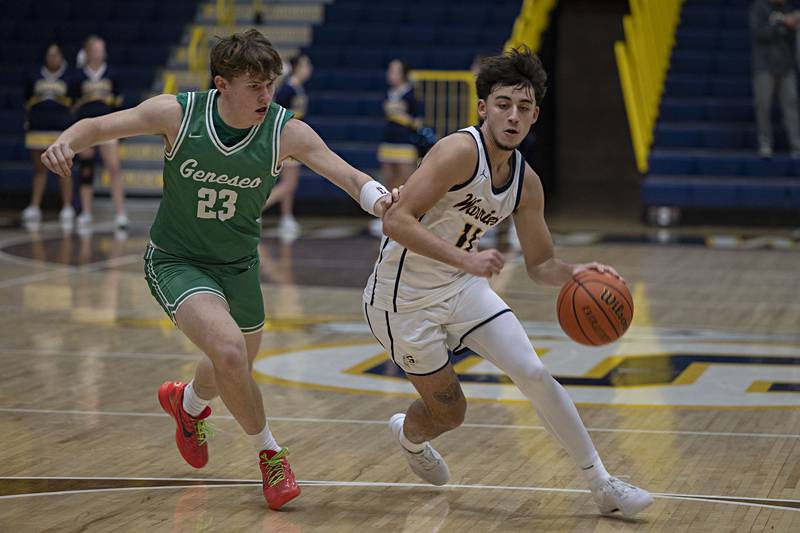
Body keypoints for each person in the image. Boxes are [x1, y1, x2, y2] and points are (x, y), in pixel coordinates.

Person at [41, 29, 395, 511]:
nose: (266, 95)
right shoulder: (178, 114)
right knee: (229, 353)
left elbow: (346, 174)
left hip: (238, 264)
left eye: (271, 84)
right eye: (255, 86)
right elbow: (100, 126)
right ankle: (271, 455)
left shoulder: (285, 130)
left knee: (231, 366)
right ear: (221, 84)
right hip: (176, 260)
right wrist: (66, 140)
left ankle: (187, 405)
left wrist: (380, 200)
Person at [363, 47, 653, 518]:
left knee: (534, 373)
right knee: (450, 414)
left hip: (462, 286)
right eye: (503, 104)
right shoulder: (458, 151)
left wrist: (578, 273)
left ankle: (602, 484)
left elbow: (541, 264)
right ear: (483, 108)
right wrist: (465, 258)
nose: (512, 116)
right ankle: (409, 437)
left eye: (523, 107)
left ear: (535, 115)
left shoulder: (526, 182)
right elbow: (395, 222)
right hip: (403, 300)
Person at [71, 35, 128, 229]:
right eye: (96, 49)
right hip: (87, 127)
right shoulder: (78, 76)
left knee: (114, 168)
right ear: (88, 53)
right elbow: (72, 103)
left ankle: (120, 213)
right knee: (86, 168)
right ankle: (86, 212)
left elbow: (119, 102)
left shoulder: (113, 73)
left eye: (102, 49)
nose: (100, 53)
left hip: (108, 126)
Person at [20, 43, 75, 230]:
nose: (53, 58)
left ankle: (67, 207)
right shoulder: (34, 75)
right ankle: (35, 206)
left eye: (56, 55)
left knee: (64, 167)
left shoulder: (69, 77)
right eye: (50, 55)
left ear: (61, 57)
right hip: (38, 129)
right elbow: (27, 100)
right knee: (39, 169)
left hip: (61, 130)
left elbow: (74, 102)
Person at [370, 59, 421, 237]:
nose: (390, 74)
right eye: (390, 71)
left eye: (394, 71)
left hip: (405, 144)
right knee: (387, 182)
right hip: (387, 143)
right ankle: (384, 218)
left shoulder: (411, 95)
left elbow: (418, 121)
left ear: (403, 74)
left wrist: (402, 118)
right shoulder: (389, 93)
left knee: (406, 184)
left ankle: (407, 219)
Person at [265, 54, 313, 240]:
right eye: (306, 64)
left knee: (289, 184)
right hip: (287, 140)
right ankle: (254, 212)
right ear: (297, 67)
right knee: (289, 184)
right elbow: (277, 115)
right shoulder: (288, 89)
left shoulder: (297, 87)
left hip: (293, 140)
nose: (309, 68)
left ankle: (286, 217)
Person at [750, 0, 800, 158]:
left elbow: (791, 38)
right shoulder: (759, 7)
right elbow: (759, 33)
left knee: (792, 104)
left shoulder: (787, 8)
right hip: (764, 66)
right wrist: (783, 23)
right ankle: (765, 142)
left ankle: (796, 143)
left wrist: (790, 26)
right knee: (763, 106)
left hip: (786, 65)